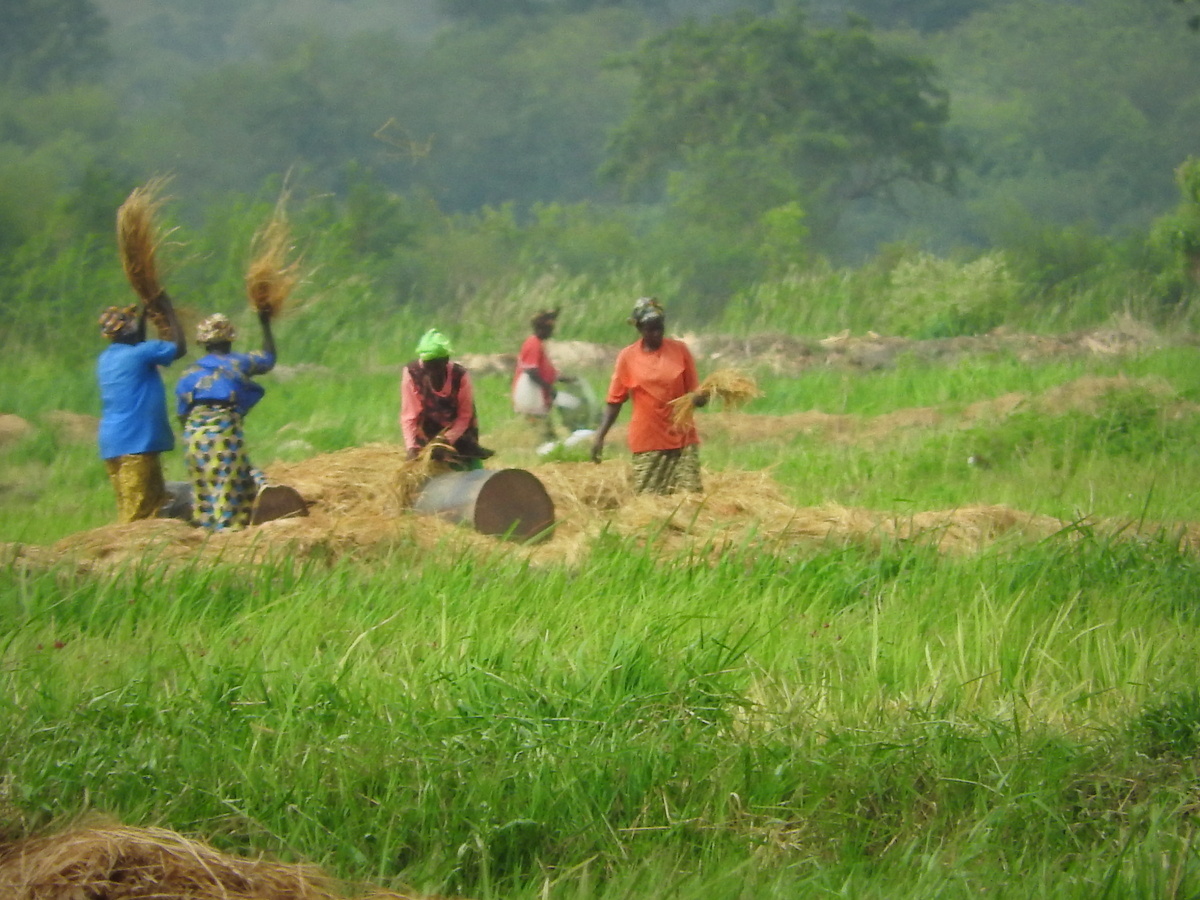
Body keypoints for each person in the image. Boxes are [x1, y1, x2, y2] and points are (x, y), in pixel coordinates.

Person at [591, 297, 709, 494]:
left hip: (682, 438)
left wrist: (700, 398)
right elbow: (615, 401)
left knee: (689, 498)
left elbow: (696, 393)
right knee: (649, 500)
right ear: (639, 329)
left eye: (659, 327)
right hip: (648, 441)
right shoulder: (628, 358)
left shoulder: (680, 351)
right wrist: (600, 436)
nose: (656, 334)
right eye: (650, 329)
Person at [174, 310, 276, 531]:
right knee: (229, 483)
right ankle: (230, 532)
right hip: (224, 431)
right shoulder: (238, 363)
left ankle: (207, 531)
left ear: (203, 342)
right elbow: (268, 359)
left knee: (203, 485)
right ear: (230, 339)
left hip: (194, 434)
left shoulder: (189, 373)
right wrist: (265, 323)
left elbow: (182, 412)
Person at [96, 294, 187, 522]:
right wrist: (168, 311)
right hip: (135, 443)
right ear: (127, 330)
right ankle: (131, 555)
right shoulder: (139, 354)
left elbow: (140, 346)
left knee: (147, 505)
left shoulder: (107, 358)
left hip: (114, 441)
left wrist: (146, 320)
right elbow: (179, 349)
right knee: (137, 516)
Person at [400, 329, 493, 471]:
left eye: (437, 366)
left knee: (469, 469)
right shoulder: (412, 373)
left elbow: (465, 415)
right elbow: (409, 415)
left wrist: (446, 441)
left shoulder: (459, 375)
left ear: (446, 361)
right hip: (428, 431)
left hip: (459, 430)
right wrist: (411, 447)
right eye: (428, 366)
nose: (432, 372)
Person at [512, 308, 574, 442]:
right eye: (551, 328)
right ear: (544, 328)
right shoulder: (533, 344)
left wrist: (564, 378)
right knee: (544, 431)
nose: (552, 331)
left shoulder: (537, 344)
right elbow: (532, 372)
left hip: (536, 395)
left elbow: (544, 370)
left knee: (544, 429)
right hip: (532, 395)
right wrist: (548, 388)